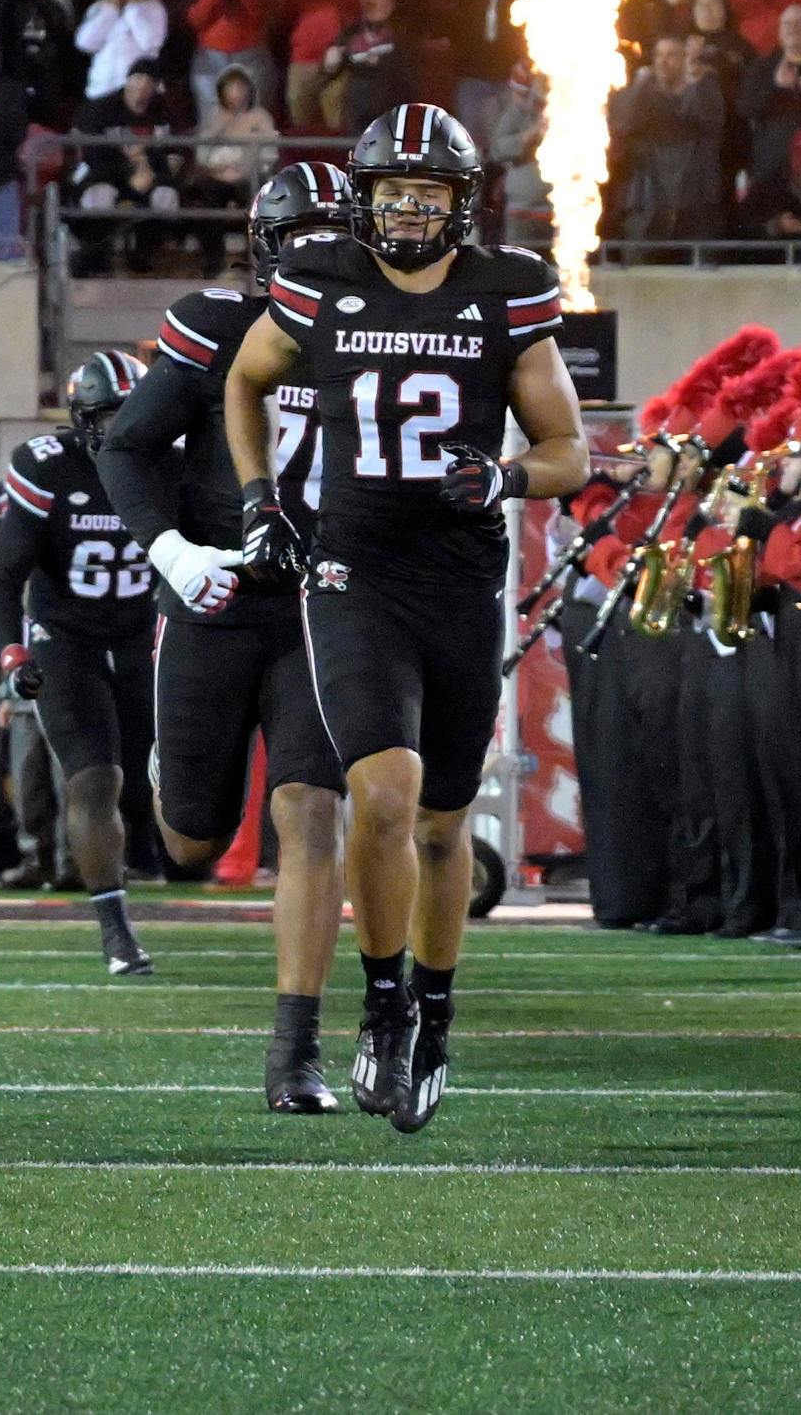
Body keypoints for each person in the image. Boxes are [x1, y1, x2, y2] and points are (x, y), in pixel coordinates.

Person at [221, 106, 587, 1131]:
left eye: (430, 194)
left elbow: (571, 451)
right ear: (365, 197)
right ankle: (379, 1006)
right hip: (353, 569)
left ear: (460, 203)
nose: (412, 210)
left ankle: (432, 1009)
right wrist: (259, 496)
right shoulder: (320, 282)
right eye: (396, 192)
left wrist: (506, 475)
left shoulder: (504, 291)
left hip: (458, 583)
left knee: (442, 830)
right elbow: (246, 383)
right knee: (381, 791)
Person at [96, 159, 362, 1111]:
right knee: (189, 841)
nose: (324, 262)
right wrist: (168, 550)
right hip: (213, 591)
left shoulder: (390, 333)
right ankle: (178, 766)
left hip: (320, 603)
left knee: (310, 811)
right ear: (267, 252)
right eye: (305, 243)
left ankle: (295, 1050)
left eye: (341, 240)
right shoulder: (215, 325)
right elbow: (125, 444)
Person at [0, 347, 160, 980]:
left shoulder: (177, 462)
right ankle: (115, 930)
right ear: (82, 419)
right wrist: (11, 652)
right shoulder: (48, 467)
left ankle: (153, 855)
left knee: (153, 791)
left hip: (148, 636)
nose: (118, 428)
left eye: (128, 415)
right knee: (93, 779)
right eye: (105, 416)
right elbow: (5, 575)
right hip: (68, 639)